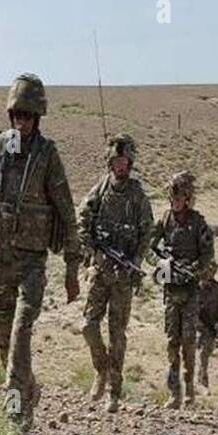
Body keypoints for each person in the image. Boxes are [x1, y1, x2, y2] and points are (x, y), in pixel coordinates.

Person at [0, 74, 81, 433]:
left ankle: (15, 411)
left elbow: (67, 212)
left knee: (20, 332)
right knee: (0, 329)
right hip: (0, 261)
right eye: (16, 116)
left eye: (27, 116)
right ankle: (28, 388)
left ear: (37, 117)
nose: (21, 123)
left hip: (31, 264)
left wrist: (73, 270)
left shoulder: (47, 155)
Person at [78, 135, 153, 412]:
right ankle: (101, 369)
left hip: (123, 275)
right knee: (88, 326)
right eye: (116, 161)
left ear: (130, 163)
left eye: (125, 162)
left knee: (117, 335)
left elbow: (147, 231)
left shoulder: (137, 194)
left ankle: (115, 390)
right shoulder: (101, 188)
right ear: (110, 162)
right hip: (99, 270)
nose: (120, 166)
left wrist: (135, 260)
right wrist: (91, 250)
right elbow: (83, 218)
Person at [147, 171, 215, 408]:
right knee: (171, 342)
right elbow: (148, 246)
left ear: (187, 199)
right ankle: (174, 393)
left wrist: (194, 269)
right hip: (170, 288)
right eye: (172, 198)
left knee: (188, 342)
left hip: (190, 290)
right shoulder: (165, 220)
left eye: (179, 198)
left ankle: (189, 394)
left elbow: (208, 254)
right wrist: (161, 263)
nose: (174, 202)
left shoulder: (198, 222)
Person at [196, 259, 218, 390]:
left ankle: (202, 377)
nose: (211, 274)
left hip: (210, 327)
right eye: (209, 271)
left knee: (205, 353)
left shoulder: (217, 289)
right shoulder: (197, 286)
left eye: (213, 271)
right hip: (197, 326)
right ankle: (199, 379)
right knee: (196, 353)